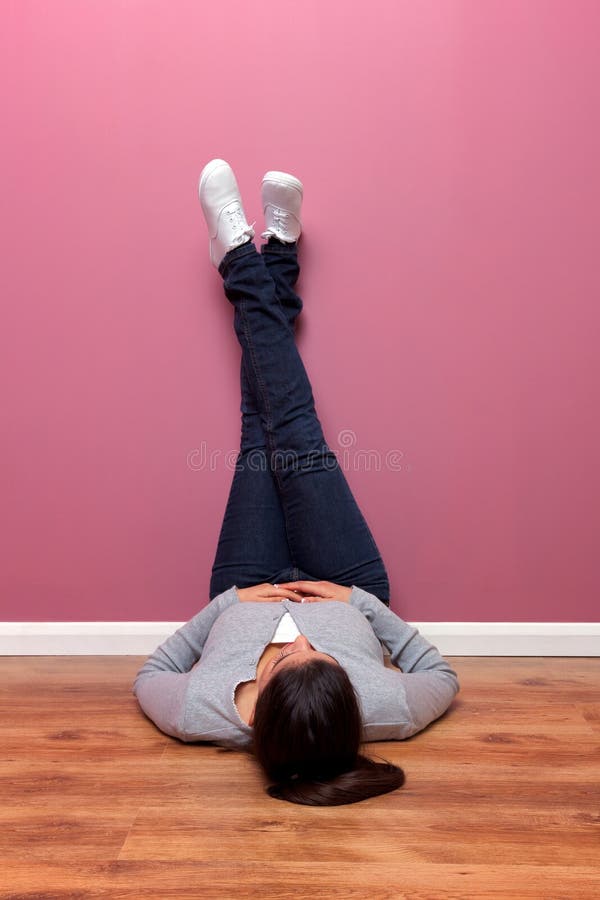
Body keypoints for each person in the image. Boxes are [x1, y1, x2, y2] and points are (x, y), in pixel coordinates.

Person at [133, 160, 459, 805]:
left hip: (244, 580)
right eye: (326, 658)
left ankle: (270, 257)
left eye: (284, 659)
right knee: (297, 436)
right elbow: (440, 674)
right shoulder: (388, 709)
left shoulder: (201, 712)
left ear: (258, 716)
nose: (297, 634)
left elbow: (153, 673)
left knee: (262, 430)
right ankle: (249, 259)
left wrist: (232, 605)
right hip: (347, 577)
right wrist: (351, 602)